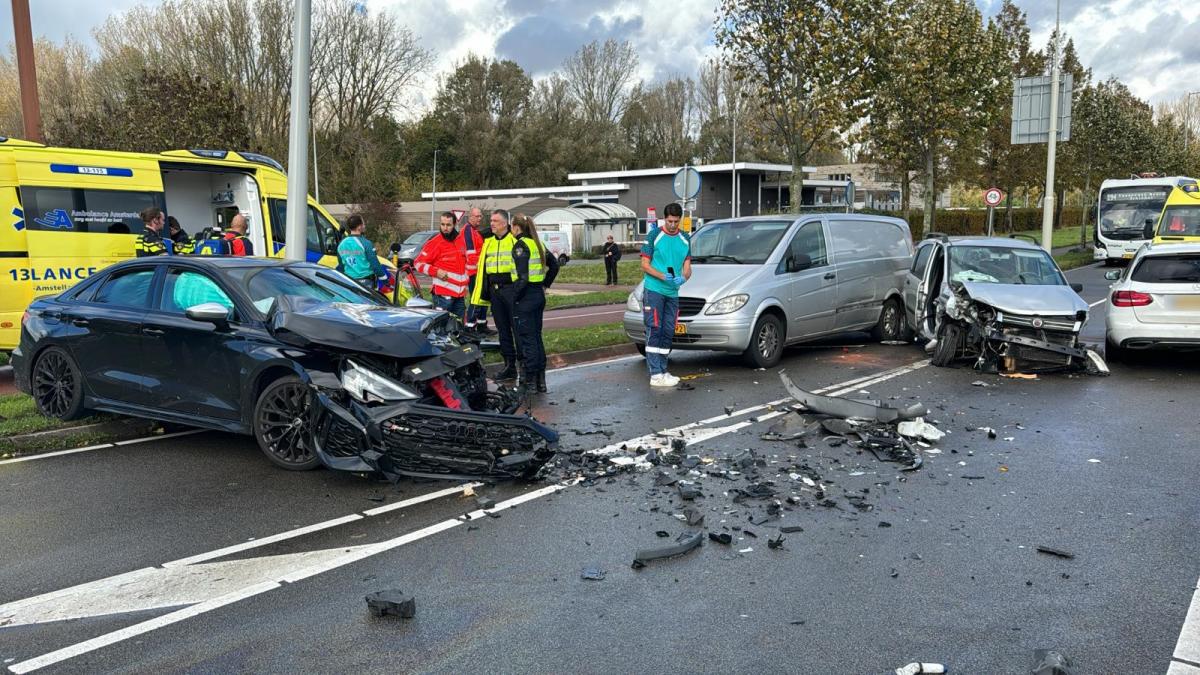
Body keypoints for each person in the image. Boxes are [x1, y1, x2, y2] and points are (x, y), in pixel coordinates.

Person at [639, 202, 691, 387]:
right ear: (664, 219)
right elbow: (644, 265)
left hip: (672, 292)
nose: (672, 225)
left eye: (676, 222)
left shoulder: (685, 238)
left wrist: (683, 278)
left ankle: (663, 370)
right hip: (654, 290)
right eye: (669, 221)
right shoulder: (654, 235)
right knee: (655, 329)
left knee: (668, 331)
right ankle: (655, 374)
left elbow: (687, 267)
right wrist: (663, 276)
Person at [510, 213, 560, 394]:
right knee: (537, 337)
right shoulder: (537, 243)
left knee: (528, 339)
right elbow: (554, 266)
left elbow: (522, 278)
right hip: (538, 294)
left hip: (526, 297)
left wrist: (514, 296)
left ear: (516, 228)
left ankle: (530, 381)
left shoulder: (520, 246)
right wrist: (545, 284)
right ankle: (540, 381)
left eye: (511, 227)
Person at [470, 209, 519, 380]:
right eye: (491, 220)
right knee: (503, 330)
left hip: (512, 290)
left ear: (505, 223)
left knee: (517, 329)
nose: (492, 224)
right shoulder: (488, 242)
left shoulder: (515, 241)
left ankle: (525, 366)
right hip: (495, 291)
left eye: (496, 221)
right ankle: (509, 366)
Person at [413, 211, 481, 318]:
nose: (445, 228)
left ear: (454, 225)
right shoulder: (434, 243)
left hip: (460, 295)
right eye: (442, 224)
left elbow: (467, 262)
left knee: (459, 329)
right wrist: (436, 272)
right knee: (442, 330)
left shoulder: (461, 241)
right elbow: (418, 263)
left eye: (448, 225)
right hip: (442, 296)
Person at [337, 214, 386, 289]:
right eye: (363, 223)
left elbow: (341, 265)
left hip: (349, 281)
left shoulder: (341, 244)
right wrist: (384, 279)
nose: (364, 225)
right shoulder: (366, 243)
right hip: (366, 282)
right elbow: (374, 264)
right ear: (359, 227)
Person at [464, 207, 491, 332]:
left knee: (483, 298)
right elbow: (471, 253)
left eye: (480, 216)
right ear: (470, 217)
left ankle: (481, 324)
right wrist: (478, 269)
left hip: (478, 271)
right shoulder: (468, 231)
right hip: (475, 272)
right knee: (476, 298)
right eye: (477, 216)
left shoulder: (474, 231)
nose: (480, 218)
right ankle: (470, 327)